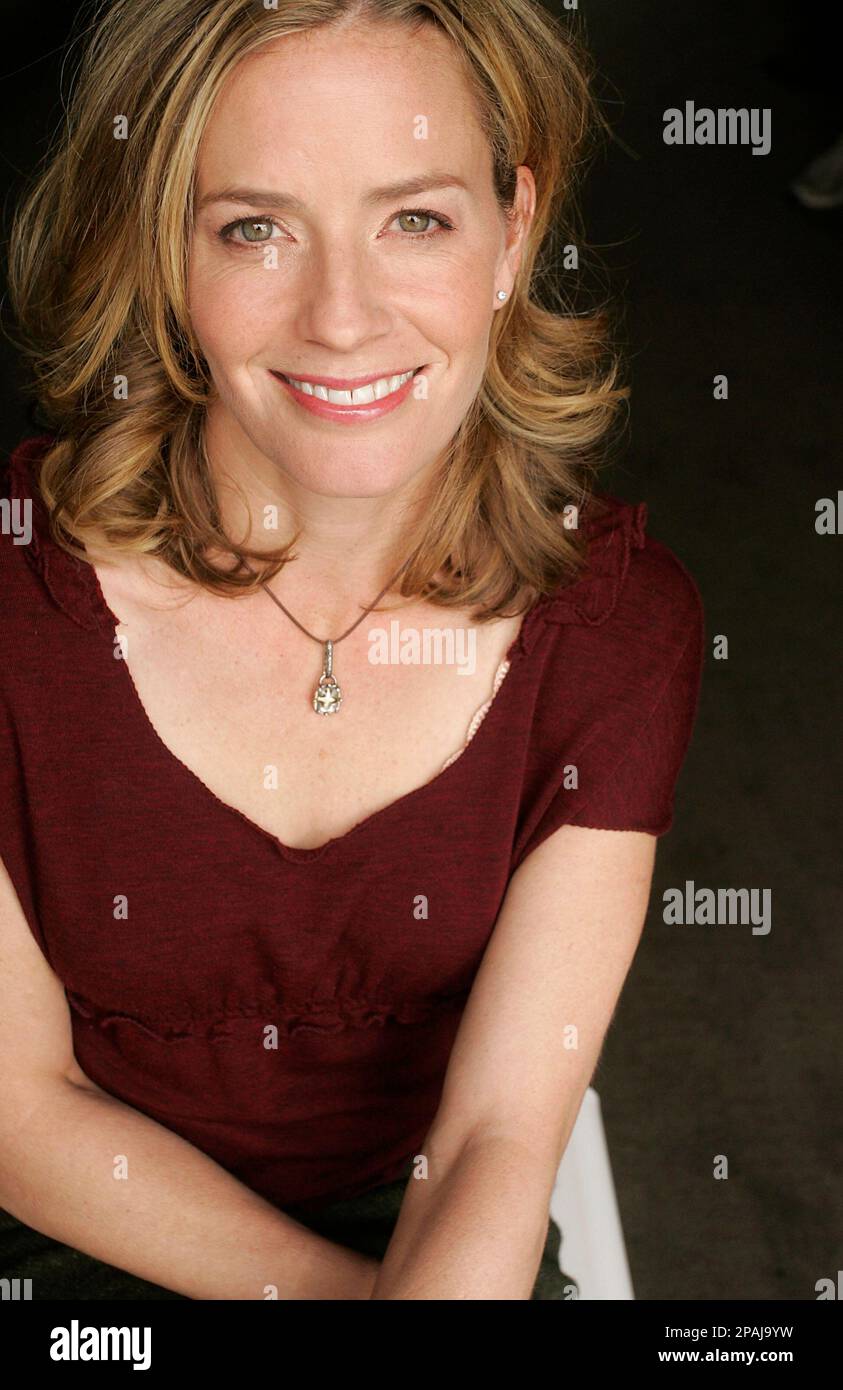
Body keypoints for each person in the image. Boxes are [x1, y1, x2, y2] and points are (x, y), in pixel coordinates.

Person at [0, 0, 704, 1300]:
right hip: (71, 1224)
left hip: (423, 1219)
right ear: (164, 251)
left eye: (416, 220)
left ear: (514, 233)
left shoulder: (617, 628)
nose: (340, 314)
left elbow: (497, 1135)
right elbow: (20, 1118)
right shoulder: (12, 602)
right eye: (255, 227)